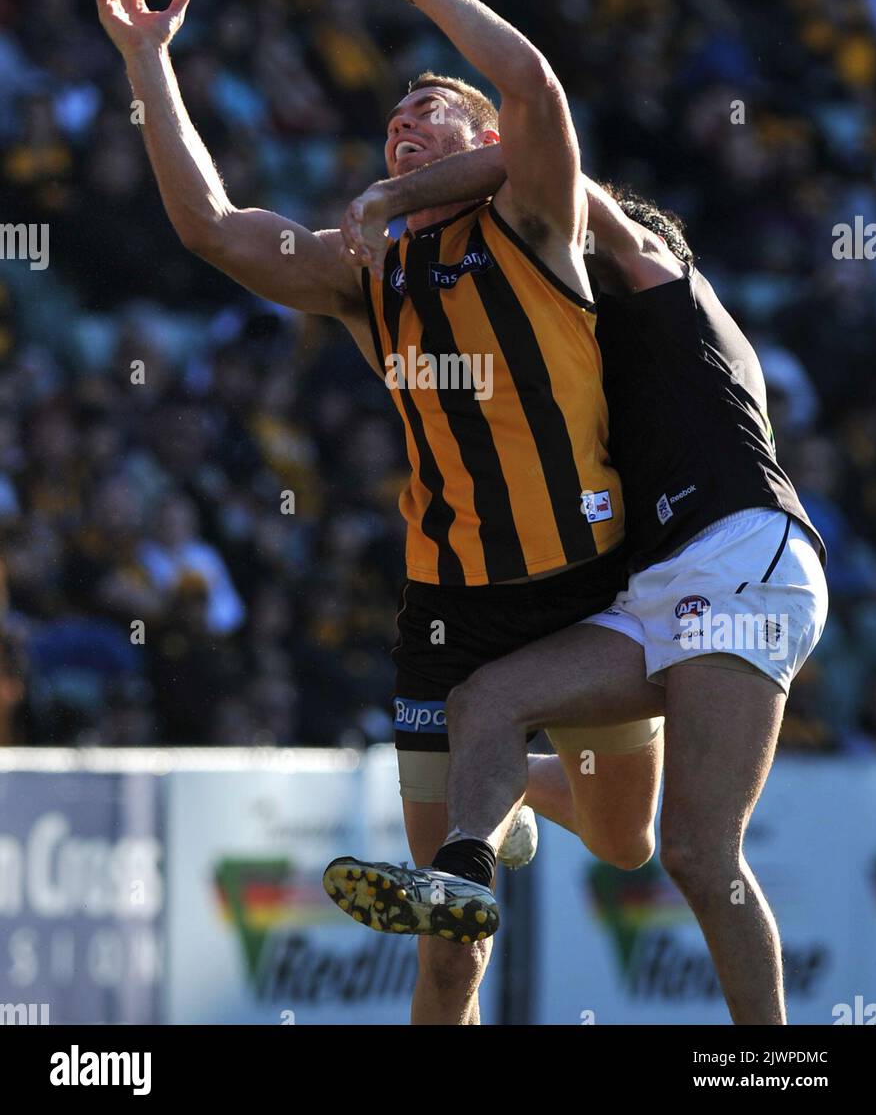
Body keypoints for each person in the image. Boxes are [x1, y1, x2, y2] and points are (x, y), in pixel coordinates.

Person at [94, 0, 661, 1026]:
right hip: (448, 607)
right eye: (392, 121)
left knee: (625, 837)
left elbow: (535, 89)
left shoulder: (539, 218)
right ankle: (478, 800)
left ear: (481, 136)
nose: (402, 125)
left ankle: (492, 788)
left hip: (589, 588)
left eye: (430, 114)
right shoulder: (366, 268)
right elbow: (210, 229)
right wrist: (146, 60)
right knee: (446, 938)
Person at [327, 142, 828, 1026]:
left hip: (743, 561)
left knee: (698, 855)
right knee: (486, 700)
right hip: (666, 589)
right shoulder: (581, 359)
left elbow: (537, 154)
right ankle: (469, 860)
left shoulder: (660, 277)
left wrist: (394, 192)